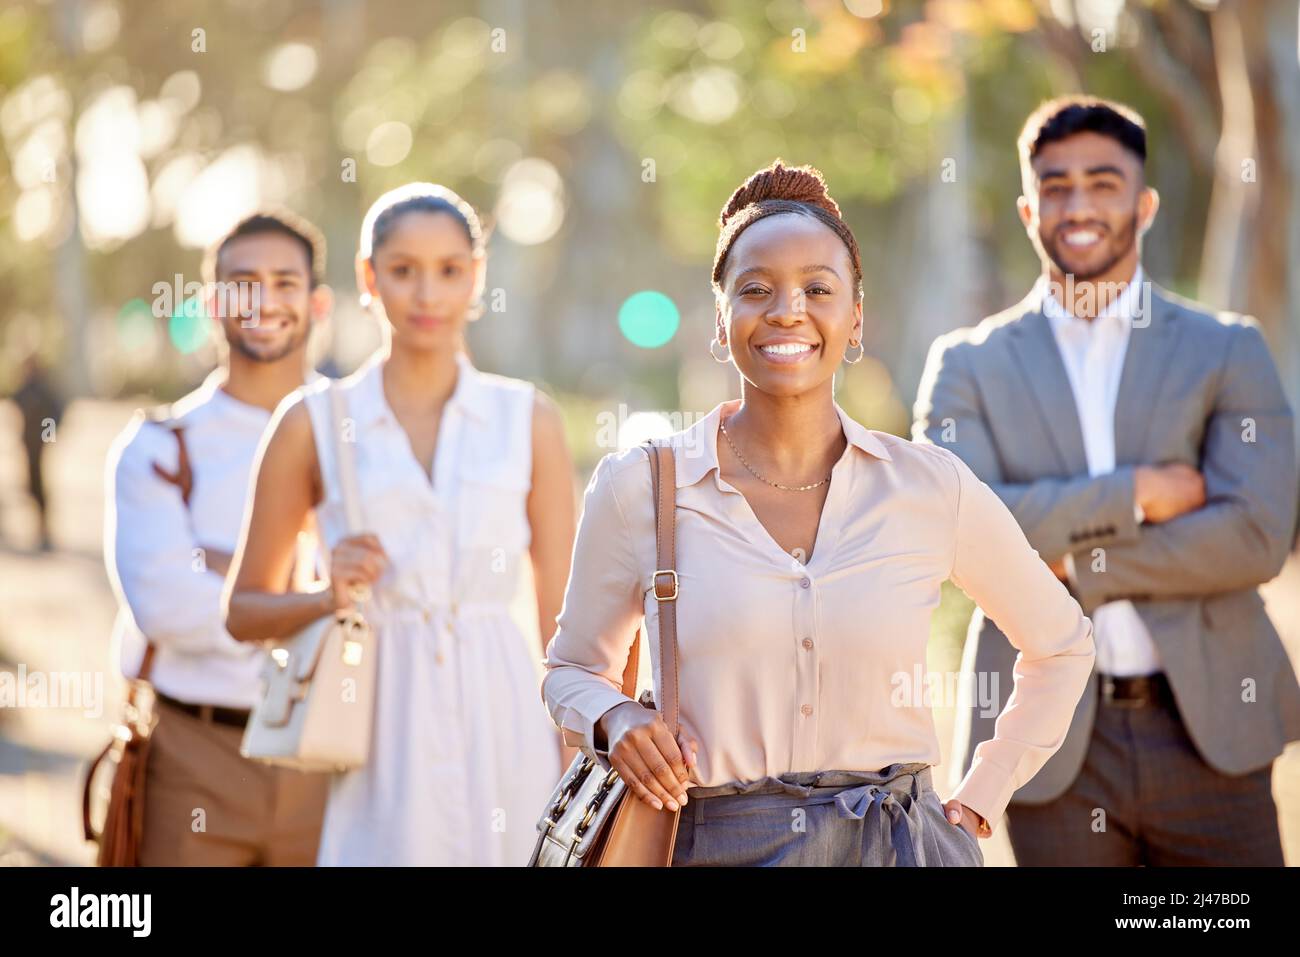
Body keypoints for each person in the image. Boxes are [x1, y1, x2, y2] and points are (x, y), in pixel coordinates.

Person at [541, 160, 1096, 866]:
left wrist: (983, 792)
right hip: (719, 844)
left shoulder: (927, 487)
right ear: (722, 318)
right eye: (756, 290)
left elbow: (1061, 644)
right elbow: (568, 669)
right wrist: (615, 716)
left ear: (854, 315)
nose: (787, 310)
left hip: (903, 846)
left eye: (817, 288)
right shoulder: (642, 487)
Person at [913, 96, 1300, 866]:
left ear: (1145, 202)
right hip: (1043, 740)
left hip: (1210, 729)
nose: (1079, 205)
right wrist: (1138, 496)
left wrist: (1069, 563)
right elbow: (958, 533)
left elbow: (1255, 537)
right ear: (1028, 209)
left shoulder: (1227, 350)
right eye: (1056, 186)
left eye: (1103, 182)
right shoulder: (967, 366)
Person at [224, 183, 574, 866]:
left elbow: (565, 616)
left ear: (477, 278)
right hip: (380, 725)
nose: (427, 295)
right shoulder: (312, 422)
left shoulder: (527, 418)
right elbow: (241, 610)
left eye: (450, 270)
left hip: (508, 724)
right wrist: (328, 594)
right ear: (368, 277)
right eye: (403, 270)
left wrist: (575, 758)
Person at [103, 210, 332, 865]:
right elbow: (169, 607)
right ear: (212, 303)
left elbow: (392, 601)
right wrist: (319, 599)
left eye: (285, 282)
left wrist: (241, 583)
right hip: (193, 756)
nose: (264, 300)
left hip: (335, 761)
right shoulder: (159, 447)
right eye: (244, 282)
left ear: (317, 302)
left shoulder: (365, 437)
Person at [12, 352, 65, 551]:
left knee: (39, 486)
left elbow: (55, 413)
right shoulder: (26, 388)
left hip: (38, 445)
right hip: (28, 443)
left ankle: (44, 530)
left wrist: (47, 437)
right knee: (29, 485)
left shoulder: (43, 390)